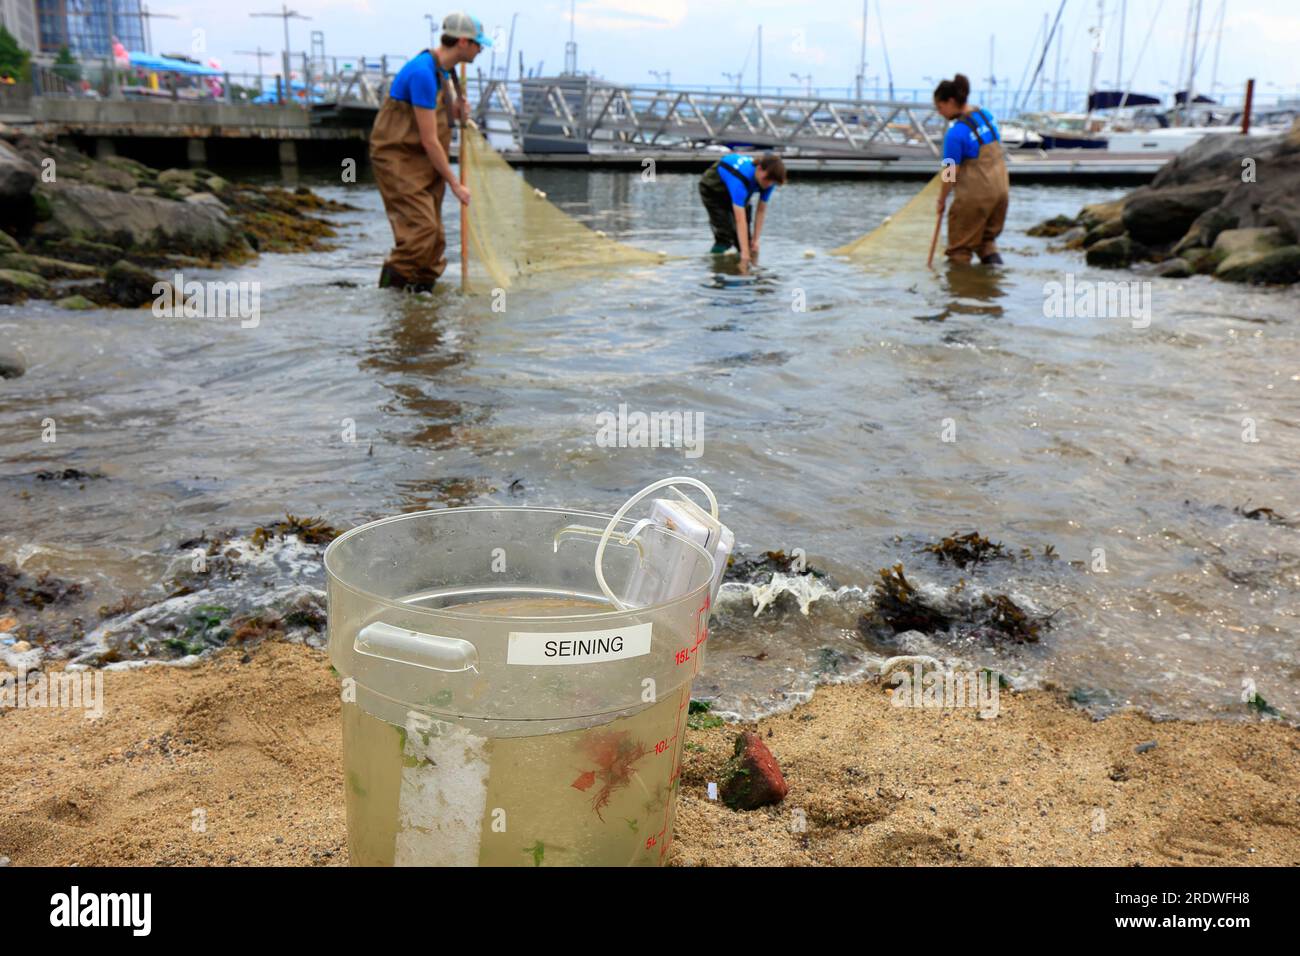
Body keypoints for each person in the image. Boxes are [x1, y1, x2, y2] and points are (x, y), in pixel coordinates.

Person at [370, 12, 490, 291]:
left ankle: (420, 303)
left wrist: (458, 111)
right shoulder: (423, 72)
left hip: (424, 163)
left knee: (434, 239)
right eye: (477, 44)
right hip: (399, 160)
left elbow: (440, 121)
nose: (480, 49)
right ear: (462, 42)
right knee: (420, 233)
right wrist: (455, 184)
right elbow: (429, 140)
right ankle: (389, 299)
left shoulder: (445, 72)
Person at [933, 73, 1009, 266]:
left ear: (950, 101)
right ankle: (992, 288)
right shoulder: (986, 116)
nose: (939, 113)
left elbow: (950, 173)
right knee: (986, 242)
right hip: (1001, 191)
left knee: (959, 250)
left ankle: (960, 293)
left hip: (975, 197)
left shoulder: (955, 134)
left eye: (940, 107)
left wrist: (942, 200)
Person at [697, 152, 787, 272]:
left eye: (773, 182)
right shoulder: (740, 179)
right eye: (768, 180)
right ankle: (715, 268)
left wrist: (755, 240)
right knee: (726, 235)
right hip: (713, 190)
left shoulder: (768, 181)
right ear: (759, 169)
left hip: (739, 193)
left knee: (746, 243)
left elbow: (761, 210)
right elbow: (740, 220)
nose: (769, 184)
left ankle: (739, 270)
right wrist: (745, 256)